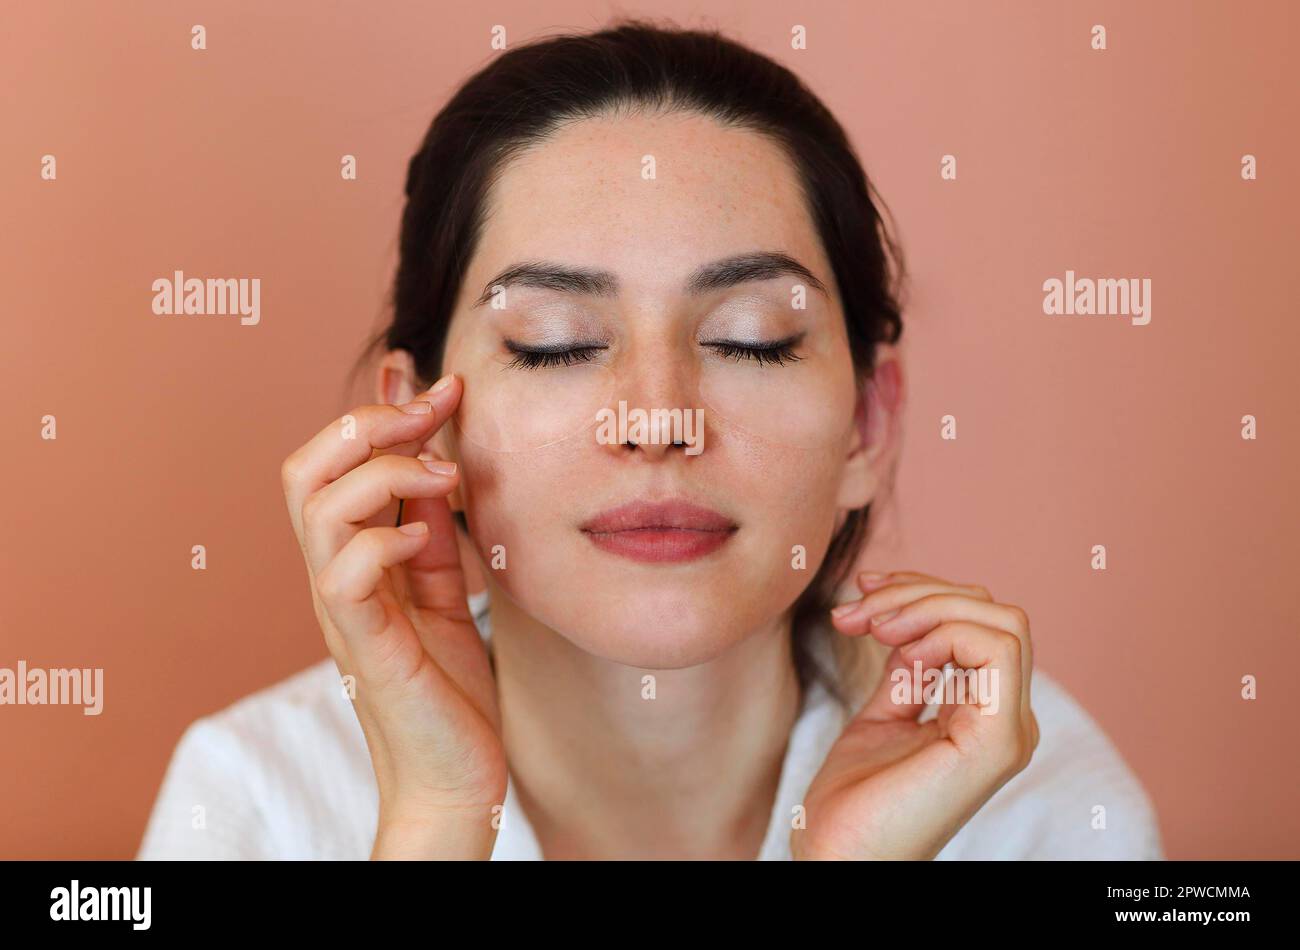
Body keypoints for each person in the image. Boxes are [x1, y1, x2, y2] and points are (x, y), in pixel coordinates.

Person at [138, 21, 1162, 861]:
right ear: (427, 424)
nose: (657, 417)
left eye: (748, 339)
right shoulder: (253, 800)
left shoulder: (1033, 797)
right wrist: (437, 822)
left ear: (868, 421)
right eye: (555, 344)